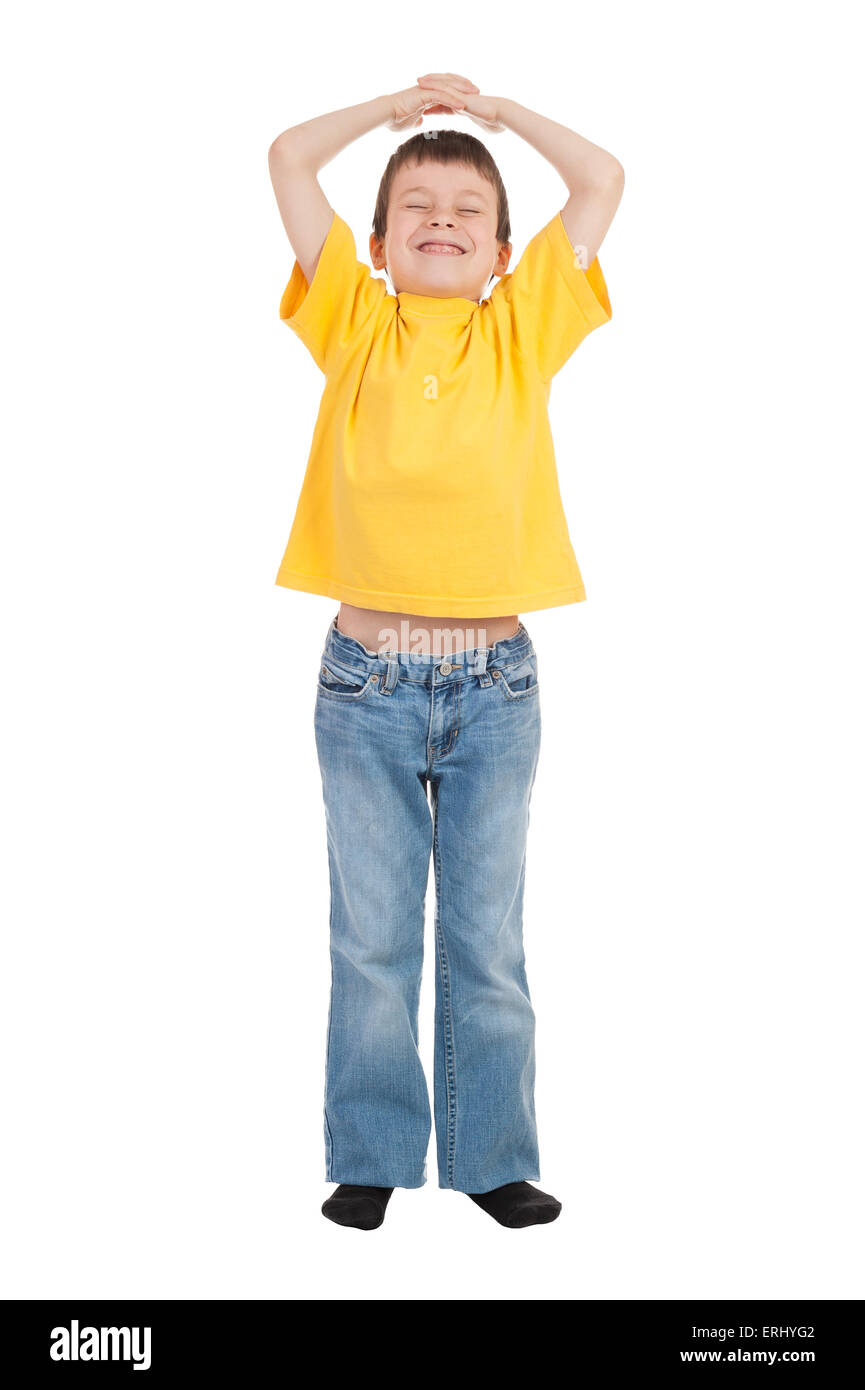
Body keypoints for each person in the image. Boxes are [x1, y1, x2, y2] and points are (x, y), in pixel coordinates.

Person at [267, 73, 624, 1230]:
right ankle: (367, 1152)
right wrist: (390, 113)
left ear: (504, 254)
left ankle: (492, 1160)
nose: (442, 219)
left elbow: (602, 180)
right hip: (364, 686)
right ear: (373, 244)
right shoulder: (355, 323)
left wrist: (498, 116)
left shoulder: (521, 328)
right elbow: (284, 158)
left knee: (486, 943)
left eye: (470, 212)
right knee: (371, 939)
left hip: (495, 689)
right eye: (416, 204)